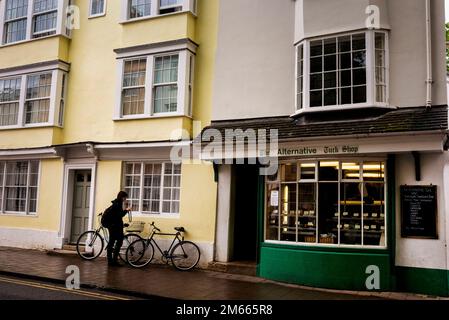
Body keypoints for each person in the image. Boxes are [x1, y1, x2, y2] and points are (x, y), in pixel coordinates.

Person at [106, 191, 131, 266]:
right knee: (115, 242)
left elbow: (117, 215)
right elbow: (119, 215)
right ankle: (112, 261)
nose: (125, 199)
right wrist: (127, 210)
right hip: (114, 227)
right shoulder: (117, 204)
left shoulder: (117, 203)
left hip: (114, 226)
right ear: (122, 197)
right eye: (125, 197)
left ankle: (112, 261)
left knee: (114, 242)